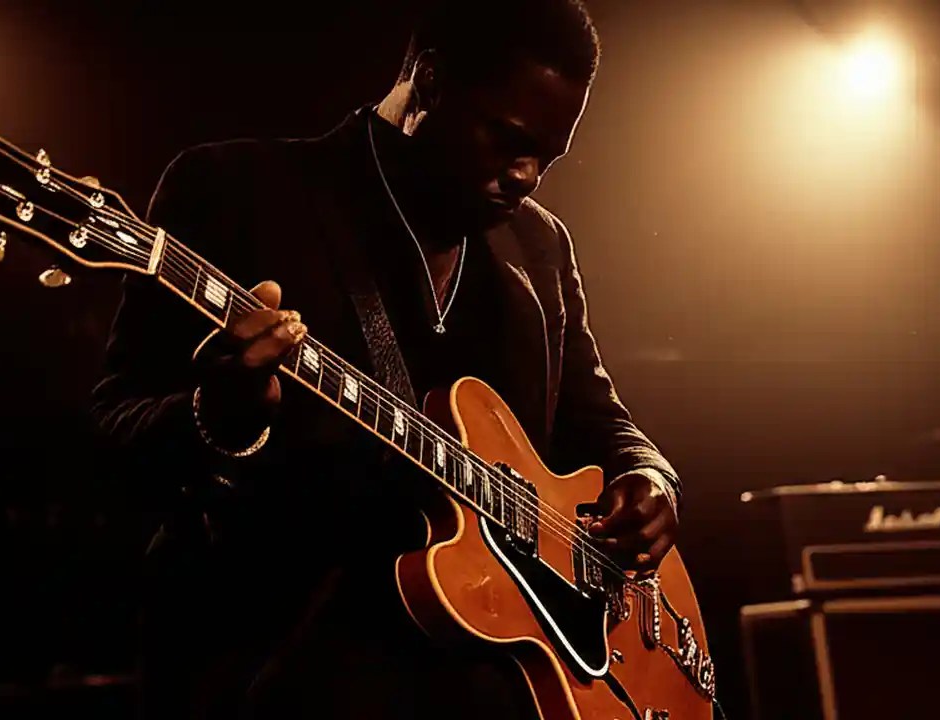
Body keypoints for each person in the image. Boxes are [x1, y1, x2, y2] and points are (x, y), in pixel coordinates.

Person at [90, 1, 683, 717]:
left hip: (506, 690)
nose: (527, 175)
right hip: (279, 679)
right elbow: (113, 425)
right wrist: (218, 419)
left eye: (547, 158)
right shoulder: (237, 191)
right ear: (430, 80)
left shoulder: (540, 246)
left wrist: (649, 476)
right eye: (507, 140)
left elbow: (599, 419)